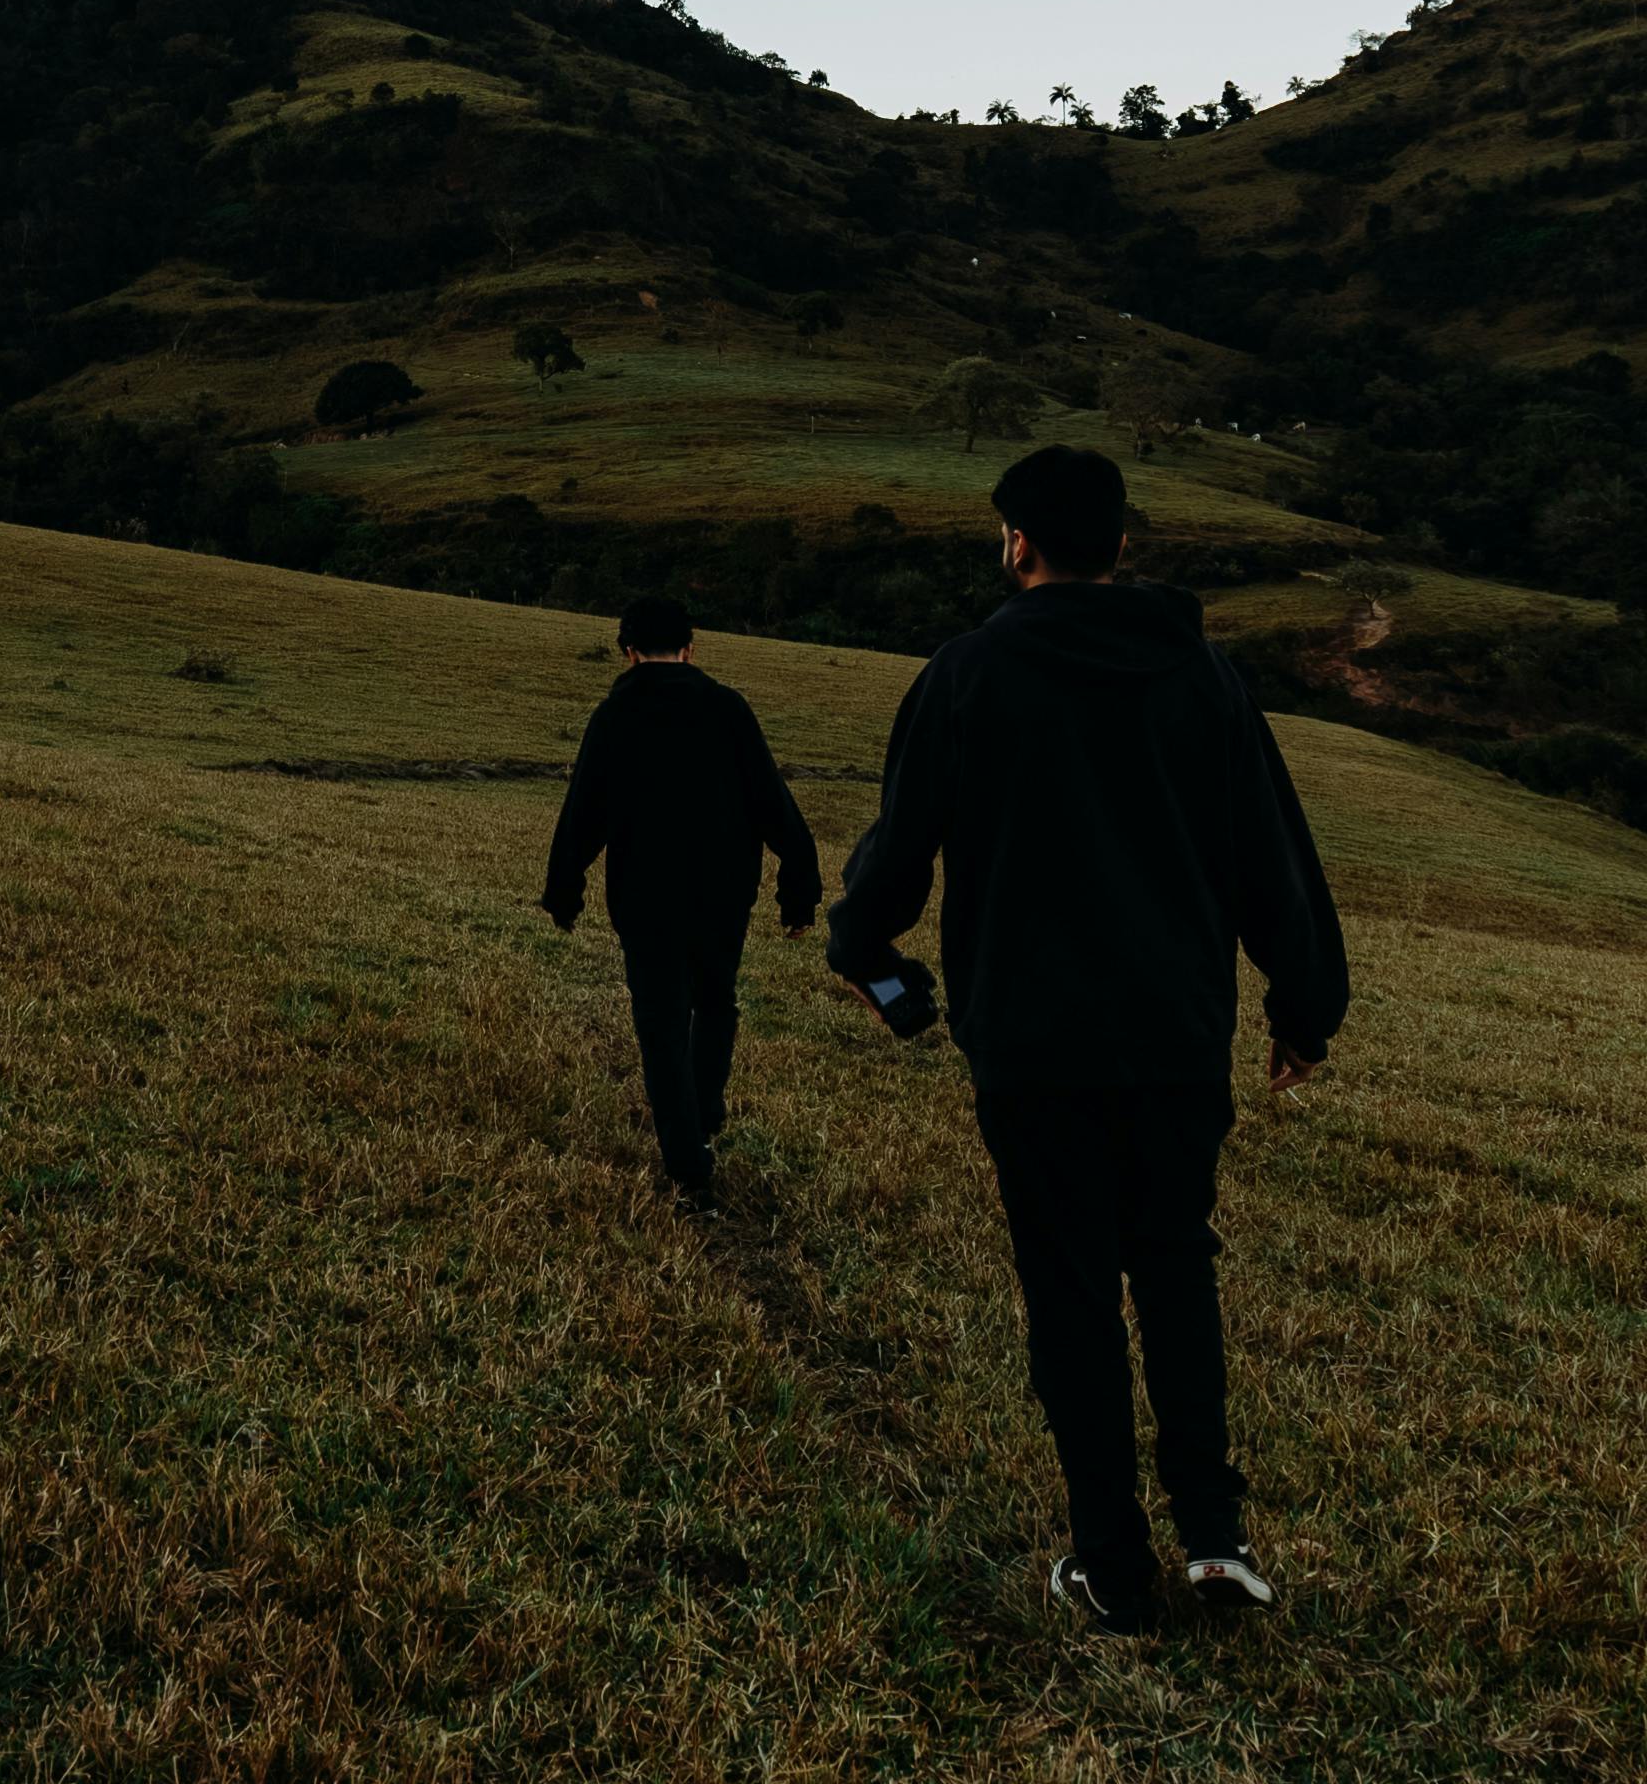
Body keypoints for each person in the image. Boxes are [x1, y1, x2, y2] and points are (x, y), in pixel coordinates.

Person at [826, 444, 1347, 1632]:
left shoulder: (967, 675)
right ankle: (1217, 1541)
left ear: (1016, 542)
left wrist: (870, 958)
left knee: (1068, 1288)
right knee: (1174, 1266)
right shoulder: (1207, 679)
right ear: (1125, 545)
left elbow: (898, 855)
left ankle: (1112, 1561)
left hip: (1032, 1041)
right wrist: (1303, 1007)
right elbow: (1274, 859)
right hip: (1174, 1036)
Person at [538, 595, 820, 1210]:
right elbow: (774, 803)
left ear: (628, 652)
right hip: (723, 894)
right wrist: (799, 889)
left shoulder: (612, 717)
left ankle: (689, 1165)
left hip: (644, 899)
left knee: (660, 1025)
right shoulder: (729, 710)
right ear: (691, 649)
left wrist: (565, 892)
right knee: (716, 999)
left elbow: (582, 813)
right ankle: (707, 1109)